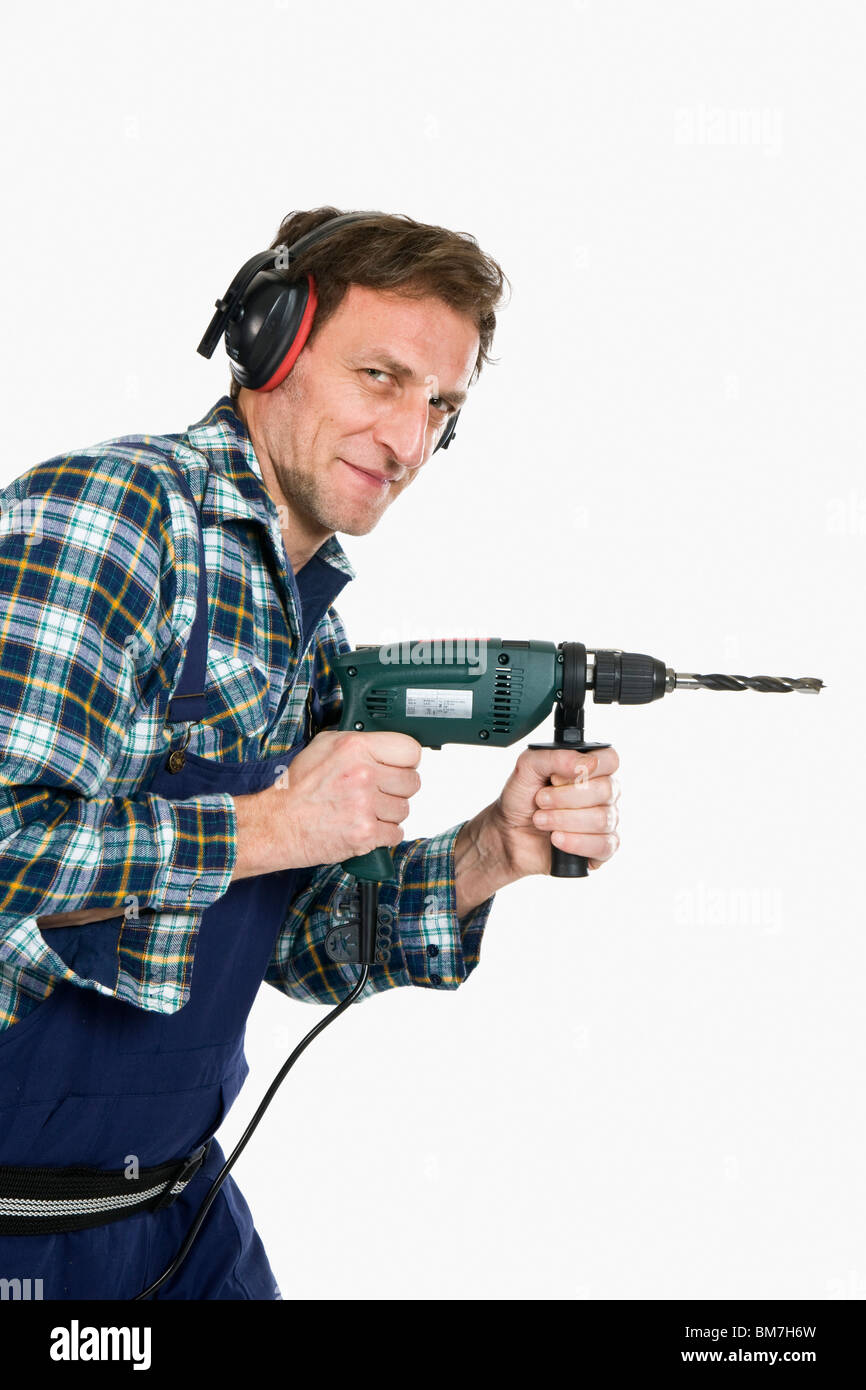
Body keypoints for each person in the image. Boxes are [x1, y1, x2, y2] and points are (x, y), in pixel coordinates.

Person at [0, 207, 620, 1300]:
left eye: (440, 405)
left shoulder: (305, 621)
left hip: (176, 1211)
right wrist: (270, 821)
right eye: (378, 376)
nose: (408, 439)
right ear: (269, 344)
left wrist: (488, 851)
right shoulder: (113, 520)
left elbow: (292, 946)